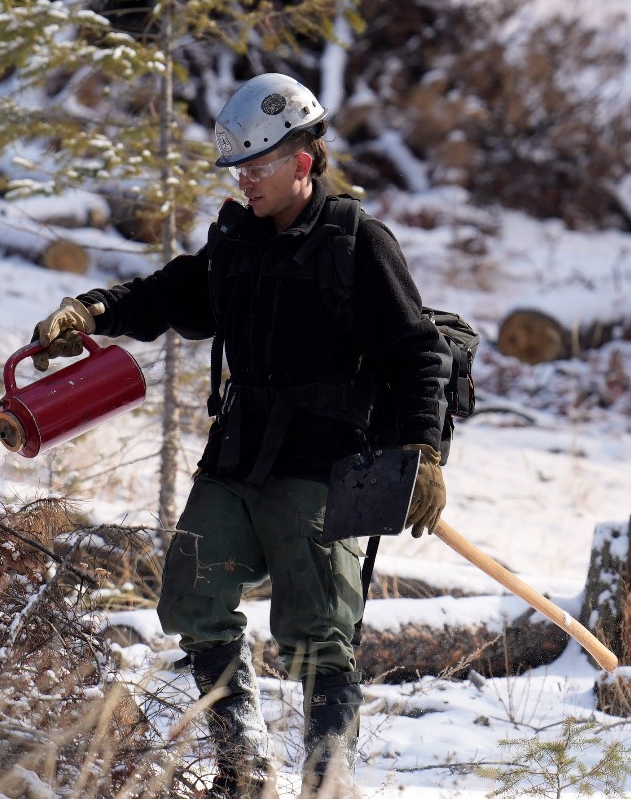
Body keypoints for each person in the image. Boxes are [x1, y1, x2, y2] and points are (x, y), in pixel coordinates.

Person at [30, 73, 451, 798]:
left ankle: (328, 776)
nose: (246, 182)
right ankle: (245, 760)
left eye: (258, 168)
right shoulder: (237, 239)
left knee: (318, 628)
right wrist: (94, 309)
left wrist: (423, 451)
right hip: (238, 455)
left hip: (322, 464)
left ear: (303, 161)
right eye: (239, 170)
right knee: (192, 596)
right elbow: (176, 293)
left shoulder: (358, 243)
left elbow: (418, 354)